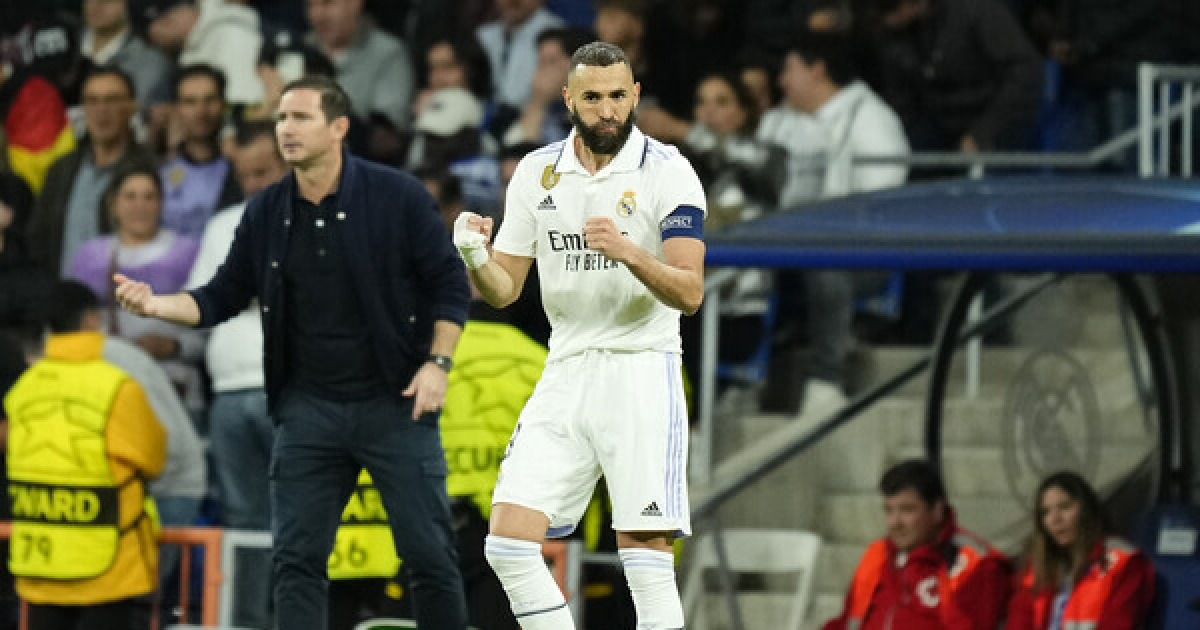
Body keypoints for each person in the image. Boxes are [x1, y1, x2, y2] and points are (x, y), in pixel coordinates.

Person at [113, 74, 470, 630]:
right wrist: (157, 305)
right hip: (307, 410)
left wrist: (438, 363)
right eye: (281, 118)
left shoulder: (396, 196)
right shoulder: (265, 211)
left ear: (339, 127)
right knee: (296, 561)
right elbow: (220, 296)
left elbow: (449, 282)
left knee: (428, 556)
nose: (286, 129)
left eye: (300, 117)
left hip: (394, 401)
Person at [455, 41, 705, 630]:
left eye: (618, 95)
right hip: (565, 368)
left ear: (635, 95)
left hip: (642, 367)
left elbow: (690, 292)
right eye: (592, 97)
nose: (607, 110)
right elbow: (505, 289)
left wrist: (627, 252)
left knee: (644, 560)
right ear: (568, 98)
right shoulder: (537, 174)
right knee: (508, 546)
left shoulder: (668, 171)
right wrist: (472, 255)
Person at [756, 33, 909, 420]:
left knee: (828, 263)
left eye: (788, 70)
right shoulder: (780, 119)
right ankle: (731, 384)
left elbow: (885, 203)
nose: (781, 81)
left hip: (859, 254)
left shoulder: (873, 119)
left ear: (818, 70)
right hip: (779, 242)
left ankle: (826, 381)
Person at [4, 280, 166, 630]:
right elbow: (152, 458)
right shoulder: (116, 387)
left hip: (40, 560)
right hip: (107, 563)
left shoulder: (24, 389)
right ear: (91, 320)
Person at [183, 119, 288, 629]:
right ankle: (248, 623)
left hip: (291, 390)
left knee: (297, 516)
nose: (255, 184)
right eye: (246, 175)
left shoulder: (315, 215)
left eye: (263, 171)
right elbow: (203, 300)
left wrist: (240, 290)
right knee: (243, 519)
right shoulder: (223, 223)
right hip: (227, 392)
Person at [66, 163, 206, 415]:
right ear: (113, 203)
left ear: (162, 203)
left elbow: (208, 322)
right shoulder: (89, 256)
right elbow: (72, 326)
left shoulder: (189, 253)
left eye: (149, 196)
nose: (139, 206)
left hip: (174, 388)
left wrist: (174, 346)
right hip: (109, 388)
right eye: (130, 196)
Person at [822, 459, 1010, 630]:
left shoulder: (976, 565)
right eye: (889, 511)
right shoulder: (878, 554)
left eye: (907, 510)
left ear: (937, 511)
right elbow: (846, 622)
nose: (894, 523)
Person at [28, 65, 157, 274]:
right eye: (92, 100)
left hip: (125, 298)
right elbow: (39, 240)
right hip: (65, 299)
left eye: (112, 100)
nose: (101, 110)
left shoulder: (152, 168)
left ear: (131, 106)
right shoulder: (61, 169)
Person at [1006, 471, 1156, 630]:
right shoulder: (1037, 566)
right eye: (1045, 512)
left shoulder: (1123, 562)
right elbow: (1019, 622)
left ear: (1086, 510)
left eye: (1065, 507)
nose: (1055, 519)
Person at [160, 64, 242, 237]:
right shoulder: (158, 171)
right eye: (190, 101)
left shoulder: (241, 170)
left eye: (210, 100)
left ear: (224, 105)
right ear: (176, 109)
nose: (201, 111)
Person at [81, 0, 173, 111]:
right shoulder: (67, 41)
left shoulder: (150, 63)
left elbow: (139, 112)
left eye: (106, 1)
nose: (95, 6)